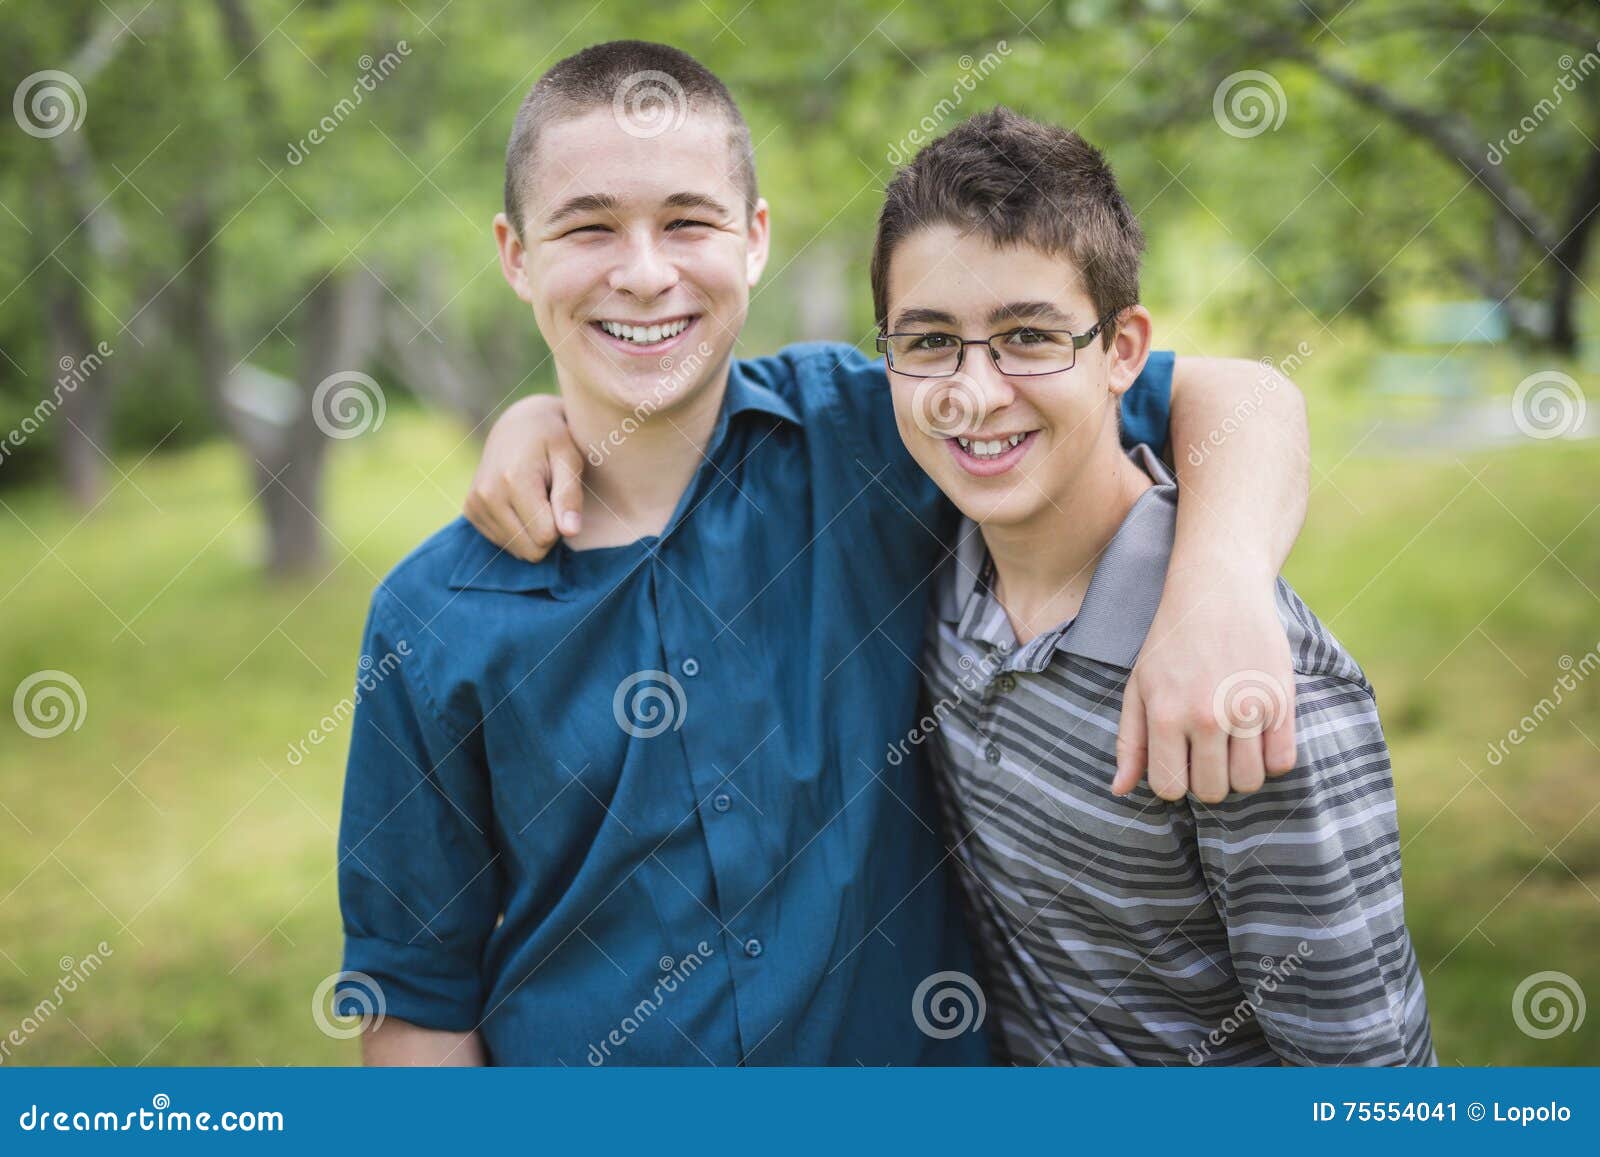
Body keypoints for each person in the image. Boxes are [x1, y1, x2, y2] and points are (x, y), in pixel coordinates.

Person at [339, 40, 1309, 1066]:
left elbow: (1243, 397)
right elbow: (416, 1000)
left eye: (688, 221)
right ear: (514, 254)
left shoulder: (881, 431)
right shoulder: (433, 614)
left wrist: (1219, 588)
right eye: (588, 228)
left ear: (755, 239)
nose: (645, 272)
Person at [876, 108, 1434, 1065]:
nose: (973, 392)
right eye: (929, 341)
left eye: (1028, 336)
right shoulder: (944, 573)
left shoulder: (1246, 684)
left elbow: (1374, 1086)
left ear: (1124, 352)